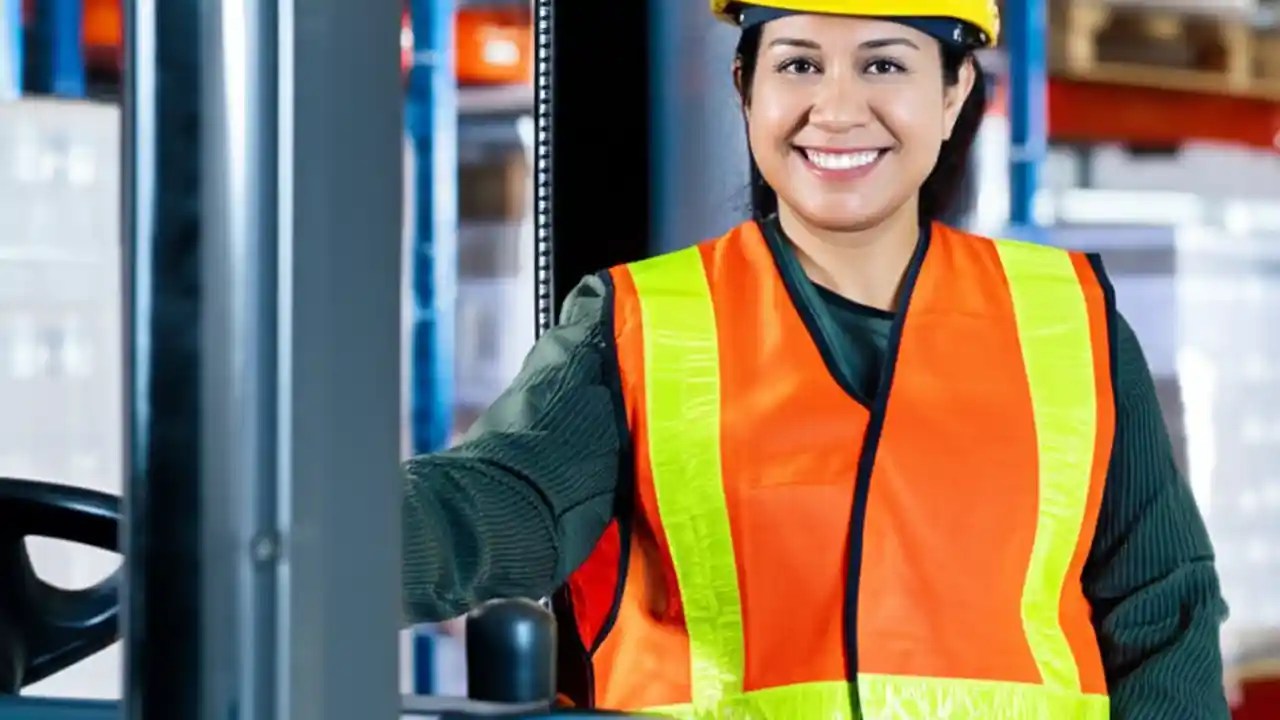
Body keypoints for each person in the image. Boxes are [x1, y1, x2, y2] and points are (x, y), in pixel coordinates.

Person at [402, 1, 1232, 717]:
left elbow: (1162, 613)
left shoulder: (1067, 322)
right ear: (746, 89)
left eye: (883, 65)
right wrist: (292, 535)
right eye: (799, 64)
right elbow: (488, 508)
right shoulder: (637, 327)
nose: (836, 110)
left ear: (953, 94)